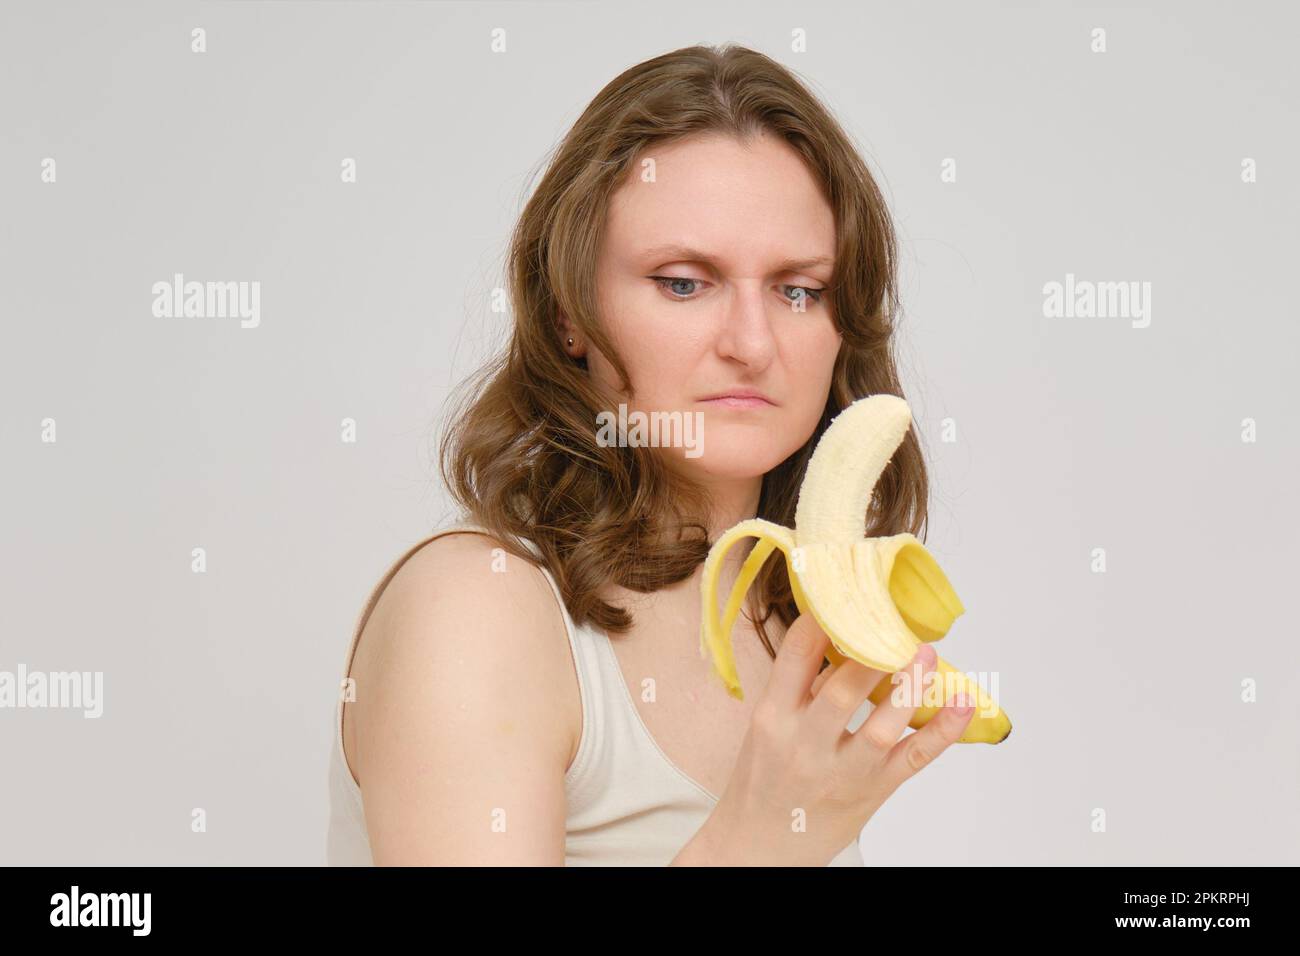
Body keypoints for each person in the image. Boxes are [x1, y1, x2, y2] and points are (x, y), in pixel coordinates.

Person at [326, 42, 975, 867]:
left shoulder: (791, 623)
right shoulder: (478, 609)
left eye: (798, 290)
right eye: (683, 282)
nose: (751, 343)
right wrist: (756, 844)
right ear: (568, 313)